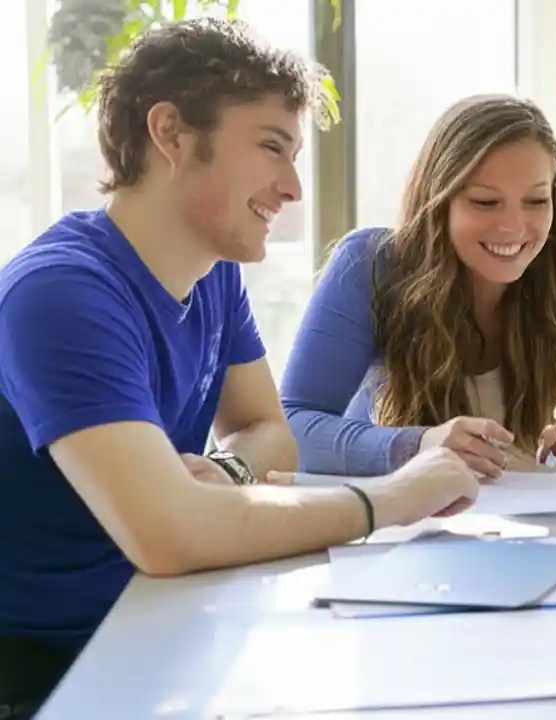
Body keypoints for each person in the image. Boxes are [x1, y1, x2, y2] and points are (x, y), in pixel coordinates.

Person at [0, 19, 477, 716]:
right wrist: (396, 498)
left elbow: (267, 432)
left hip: (155, 621)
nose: (292, 189)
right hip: (43, 670)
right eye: (272, 148)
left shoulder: (214, 278)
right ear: (171, 133)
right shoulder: (61, 294)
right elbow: (171, 536)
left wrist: (222, 474)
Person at [280, 94, 556, 479]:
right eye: (485, 202)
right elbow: (290, 428)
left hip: (530, 532)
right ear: (437, 202)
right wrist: (418, 446)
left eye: (537, 201)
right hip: (395, 532)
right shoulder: (369, 266)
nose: (513, 227)